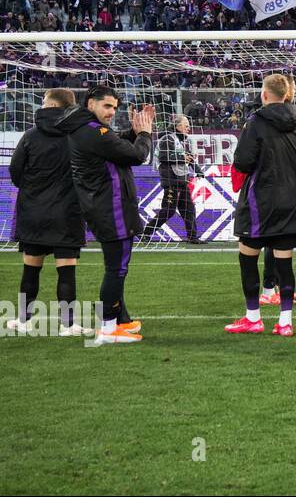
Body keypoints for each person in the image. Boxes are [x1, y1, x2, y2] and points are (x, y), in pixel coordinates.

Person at [225, 74, 296, 337]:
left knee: (248, 258)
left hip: (261, 201)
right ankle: (285, 322)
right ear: (287, 95)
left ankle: (253, 317)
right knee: (284, 263)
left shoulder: (256, 122)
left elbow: (242, 161)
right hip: (294, 200)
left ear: (265, 95)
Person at [67, 87, 154, 345]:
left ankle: (121, 320)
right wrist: (145, 134)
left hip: (104, 207)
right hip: (111, 208)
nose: (112, 112)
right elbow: (137, 155)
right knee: (116, 268)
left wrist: (134, 133)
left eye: (115, 107)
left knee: (116, 268)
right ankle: (108, 328)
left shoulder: (87, 128)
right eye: (107, 106)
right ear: (90, 104)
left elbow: (115, 146)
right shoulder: (93, 131)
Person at [6, 88, 88, 336]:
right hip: (68, 212)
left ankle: (24, 320)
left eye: (43, 101)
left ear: (52, 106)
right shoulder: (79, 135)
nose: (41, 104)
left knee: (31, 269)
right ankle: (69, 324)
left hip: (34, 211)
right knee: (66, 271)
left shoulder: (30, 135)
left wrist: (33, 190)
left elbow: (15, 171)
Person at [142, 115, 202, 243]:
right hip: (171, 181)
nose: (189, 128)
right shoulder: (167, 138)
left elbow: (189, 158)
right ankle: (146, 232)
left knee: (189, 209)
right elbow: (164, 157)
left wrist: (198, 171)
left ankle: (193, 237)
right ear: (177, 126)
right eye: (186, 125)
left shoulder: (182, 141)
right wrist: (182, 158)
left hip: (182, 181)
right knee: (168, 210)